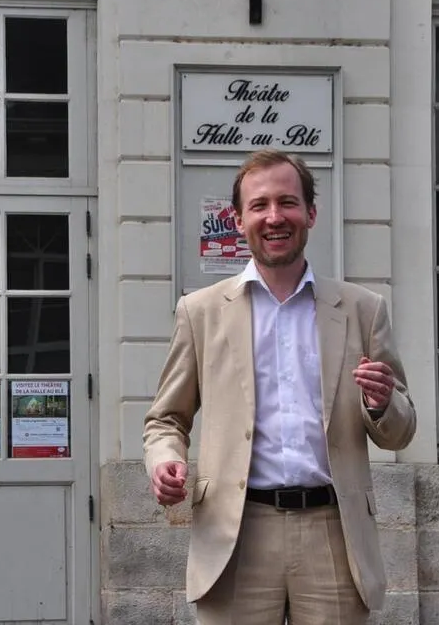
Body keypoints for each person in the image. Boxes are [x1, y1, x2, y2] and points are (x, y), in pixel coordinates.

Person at [143, 149, 416, 625]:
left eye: (288, 203)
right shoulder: (201, 311)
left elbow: (400, 431)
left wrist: (381, 403)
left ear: (311, 213)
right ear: (238, 218)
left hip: (334, 533)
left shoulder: (361, 309)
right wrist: (165, 459)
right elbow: (166, 418)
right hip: (236, 533)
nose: (275, 217)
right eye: (260, 205)